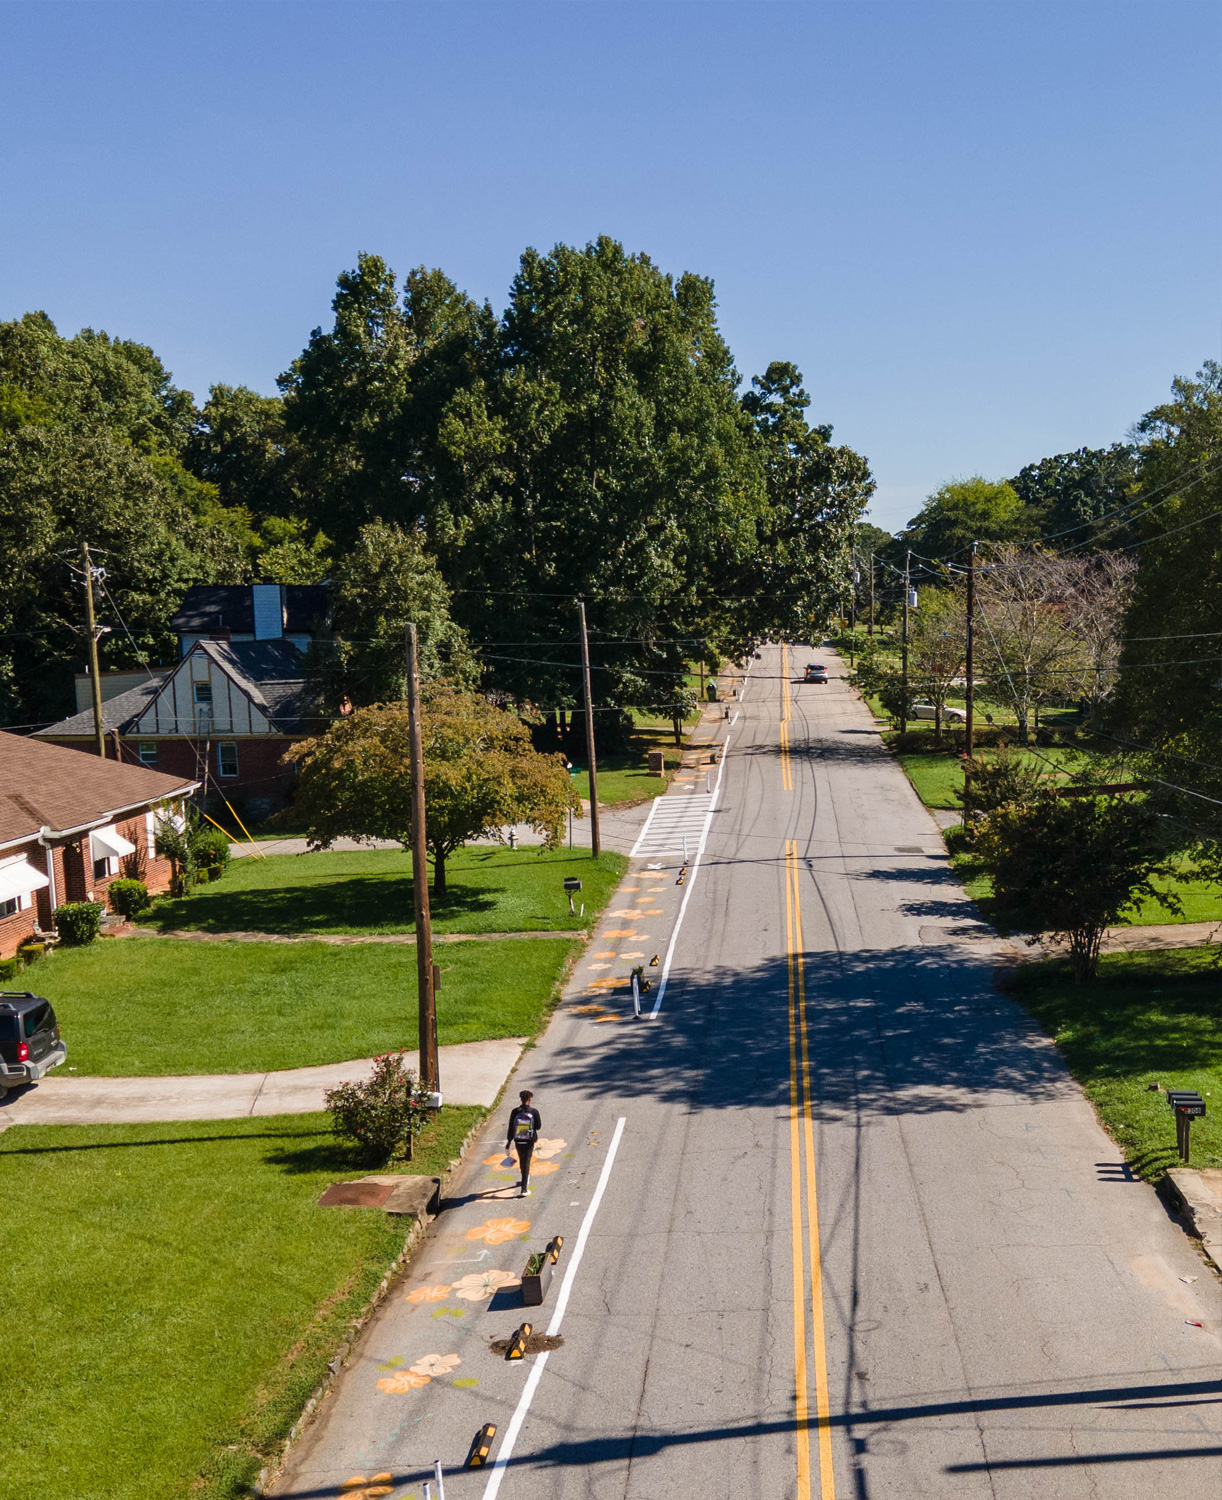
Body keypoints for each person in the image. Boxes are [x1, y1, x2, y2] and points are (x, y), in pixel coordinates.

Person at [505, 1089, 541, 1197]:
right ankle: (524, 1189)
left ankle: (524, 1178)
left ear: (520, 1099)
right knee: (527, 1162)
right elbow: (538, 1126)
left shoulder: (515, 1112)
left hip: (518, 1140)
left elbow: (511, 1128)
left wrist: (509, 1141)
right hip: (529, 1141)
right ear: (529, 1100)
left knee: (522, 1160)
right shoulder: (534, 1112)